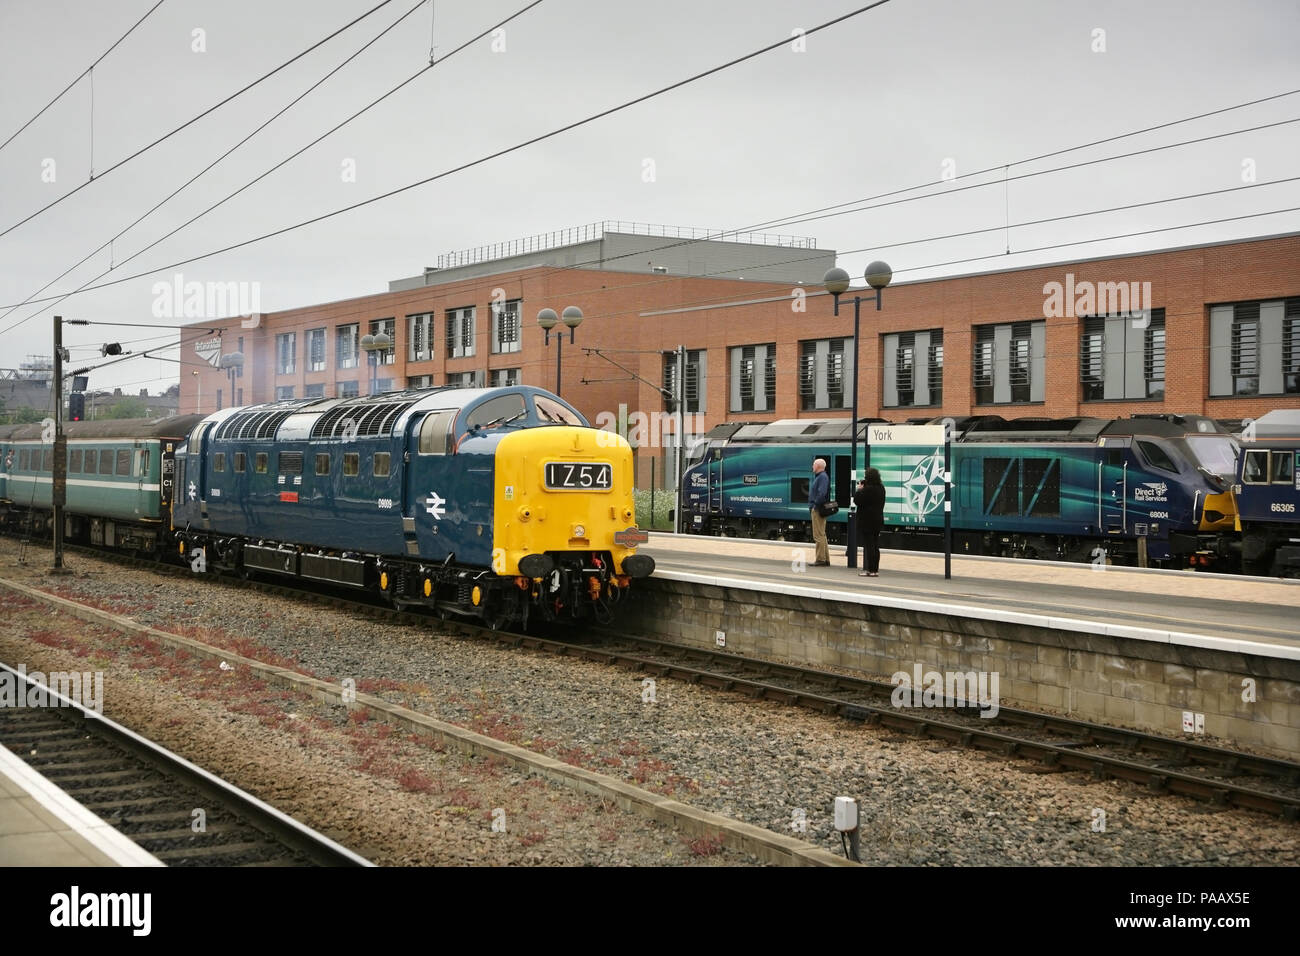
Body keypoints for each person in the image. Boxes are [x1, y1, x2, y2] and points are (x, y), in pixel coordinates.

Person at [854, 467, 886, 576]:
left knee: (869, 546)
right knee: (875, 545)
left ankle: (870, 570)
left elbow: (857, 500)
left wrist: (859, 489)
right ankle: (875, 570)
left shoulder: (868, 489)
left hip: (867, 521)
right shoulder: (881, 488)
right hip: (878, 520)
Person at [808, 458, 830, 566]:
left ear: (818, 466)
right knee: (822, 534)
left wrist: (815, 506)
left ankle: (820, 559)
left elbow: (822, 493)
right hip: (818, 508)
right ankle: (825, 559)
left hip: (817, 510)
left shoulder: (822, 477)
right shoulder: (822, 477)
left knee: (818, 535)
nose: (812, 466)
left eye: (813, 464)